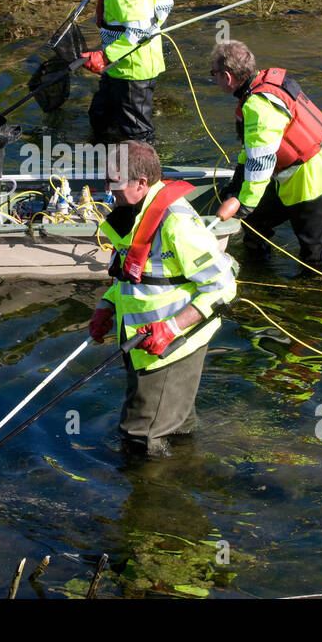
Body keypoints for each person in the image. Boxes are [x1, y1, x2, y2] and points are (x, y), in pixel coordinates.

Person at [88, 141, 237, 456]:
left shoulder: (177, 224)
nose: (107, 188)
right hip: (141, 342)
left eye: (115, 181)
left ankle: (152, 499)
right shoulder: (132, 213)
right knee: (177, 425)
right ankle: (187, 466)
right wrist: (107, 305)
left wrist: (171, 328)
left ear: (142, 184)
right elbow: (141, 278)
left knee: (138, 437)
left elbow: (222, 285)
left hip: (170, 348)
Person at [211, 40, 322, 268]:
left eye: (214, 73)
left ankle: (316, 292)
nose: (213, 79)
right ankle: (258, 270)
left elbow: (261, 162)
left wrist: (244, 204)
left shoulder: (258, 107)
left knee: (314, 251)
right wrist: (237, 182)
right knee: (254, 223)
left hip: (313, 176)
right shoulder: (259, 86)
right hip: (297, 169)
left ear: (228, 77)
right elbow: (254, 149)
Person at [82, 0, 173, 143]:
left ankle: (149, 173)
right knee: (100, 116)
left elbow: (139, 31)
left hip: (133, 71)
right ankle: (105, 162)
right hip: (120, 68)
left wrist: (105, 56)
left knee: (138, 134)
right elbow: (166, 4)